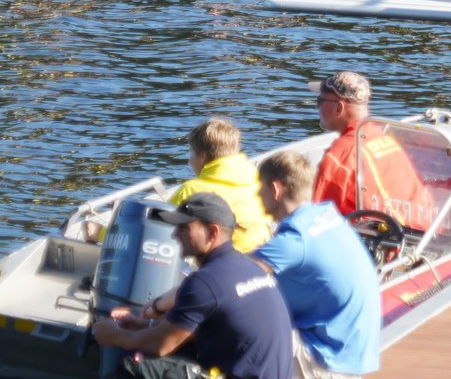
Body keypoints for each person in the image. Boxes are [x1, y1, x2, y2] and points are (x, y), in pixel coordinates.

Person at [88, 192, 296, 379]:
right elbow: (208, 332)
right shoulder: (247, 267)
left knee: (133, 367)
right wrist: (145, 325)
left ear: (212, 233)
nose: (174, 234)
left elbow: (160, 345)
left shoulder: (206, 282)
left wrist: (114, 335)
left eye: (184, 228)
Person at [253, 149, 381, 379]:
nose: (257, 194)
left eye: (260, 187)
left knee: (239, 324)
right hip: (351, 355)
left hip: (325, 360)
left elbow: (227, 278)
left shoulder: (296, 239)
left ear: (275, 189)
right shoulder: (328, 218)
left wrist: (165, 303)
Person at [308, 72, 431, 229]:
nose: (317, 107)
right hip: (419, 231)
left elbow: (319, 221)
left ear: (339, 108)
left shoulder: (339, 156)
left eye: (320, 101)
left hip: (382, 242)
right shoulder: (385, 139)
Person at [170, 118, 272, 254]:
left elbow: (165, 230)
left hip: (221, 261)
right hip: (259, 252)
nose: (190, 159)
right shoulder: (257, 180)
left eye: (192, 152)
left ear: (202, 156)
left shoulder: (191, 190)